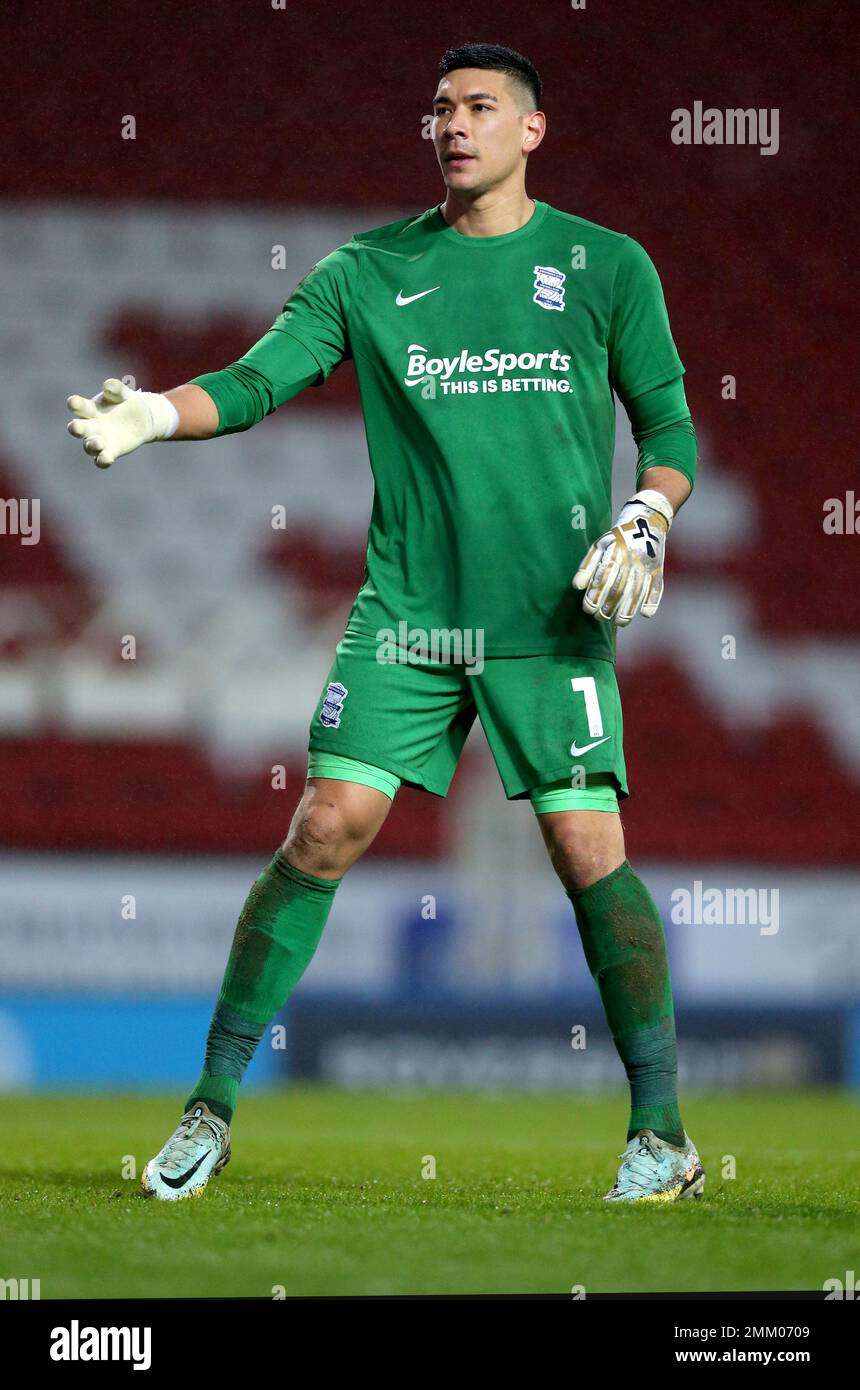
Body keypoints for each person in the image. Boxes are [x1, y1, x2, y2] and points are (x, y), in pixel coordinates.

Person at [66, 42, 702, 1204]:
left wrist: (645, 519)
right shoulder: (368, 269)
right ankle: (208, 1107)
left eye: (478, 107)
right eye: (439, 109)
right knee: (324, 826)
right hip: (410, 615)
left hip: (546, 618)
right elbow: (261, 379)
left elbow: (669, 431)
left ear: (530, 131)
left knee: (584, 850)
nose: (452, 124)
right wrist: (158, 411)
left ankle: (660, 1134)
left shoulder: (605, 265)